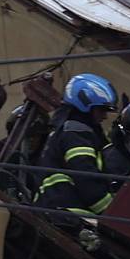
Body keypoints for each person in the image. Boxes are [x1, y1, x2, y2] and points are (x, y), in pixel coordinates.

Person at [33, 73, 120, 222]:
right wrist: (113, 215)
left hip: (56, 212)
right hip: (70, 215)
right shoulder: (76, 133)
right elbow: (86, 177)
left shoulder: (65, 131)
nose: (104, 116)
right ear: (85, 105)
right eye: (101, 110)